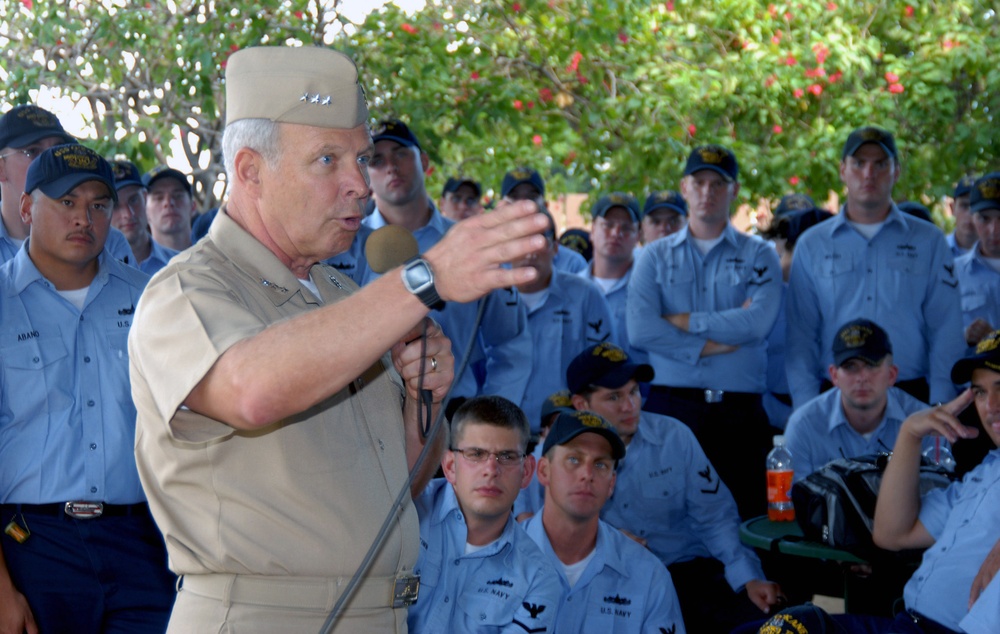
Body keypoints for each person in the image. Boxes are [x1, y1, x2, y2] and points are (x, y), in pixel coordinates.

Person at [127, 46, 550, 632]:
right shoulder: (187, 291)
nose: (360, 184)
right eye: (327, 160)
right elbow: (251, 389)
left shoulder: (343, 299)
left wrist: (423, 402)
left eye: (361, 158)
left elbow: (394, 483)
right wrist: (420, 281)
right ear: (249, 170)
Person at [0, 144, 174, 633]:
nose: (85, 218)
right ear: (28, 208)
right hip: (31, 543)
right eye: (67, 202)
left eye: (99, 204)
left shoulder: (150, 300)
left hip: (140, 540)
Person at [766, 329, 1000, 633]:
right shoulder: (984, 472)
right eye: (980, 392)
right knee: (777, 627)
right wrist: (909, 436)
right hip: (905, 622)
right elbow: (892, 534)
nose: (990, 405)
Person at [568, 342, 782, 633]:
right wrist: (602, 540)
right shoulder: (556, 455)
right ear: (581, 405)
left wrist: (748, 578)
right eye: (614, 397)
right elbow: (537, 531)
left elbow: (715, 516)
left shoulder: (674, 436)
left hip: (686, 573)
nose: (630, 405)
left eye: (633, 391)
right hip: (605, 582)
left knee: (770, 626)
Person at [628, 144, 782, 519]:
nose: (707, 192)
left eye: (718, 183)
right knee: (667, 521)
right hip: (671, 409)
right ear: (684, 187)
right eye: (699, 182)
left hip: (740, 414)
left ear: (735, 191)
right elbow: (640, 330)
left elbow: (758, 324)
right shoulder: (654, 255)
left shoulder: (759, 255)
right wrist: (710, 346)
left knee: (746, 519)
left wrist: (684, 321)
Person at [345, 119, 534, 406]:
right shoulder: (346, 245)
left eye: (400, 153)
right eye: (377, 160)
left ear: (423, 160)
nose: (391, 167)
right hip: (370, 419)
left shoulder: (469, 242)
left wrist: (486, 418)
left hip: (453, 416)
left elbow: (511, 343)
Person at [786, 126, 965, 408]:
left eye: (881, 164)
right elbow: (800, 335)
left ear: (896, 171)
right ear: (843, 170)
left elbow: (945, 327)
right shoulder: (812, 245)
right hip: (832, 399)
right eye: (859, 164)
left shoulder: (928, 241)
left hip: (911, 397)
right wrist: (807, 406)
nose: (869, 174)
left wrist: (941, 404)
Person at [523, 408, 687, 633]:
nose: (587, 474)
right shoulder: (492, 560)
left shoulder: (648, 576)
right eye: (573, 459)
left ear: (611, 484)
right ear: (543, 471)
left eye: (600, 464)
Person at [410, 395, 561, 633]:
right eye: (476, 454)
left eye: (507, 456)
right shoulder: (407, 513)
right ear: (450, 466)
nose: (491, 470)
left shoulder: (538, 579)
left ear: (527, 471)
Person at [784, 318, 936, 482]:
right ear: (834, 376)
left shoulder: (925, 425)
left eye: (872, 365)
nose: (862, 377)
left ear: (892, 375)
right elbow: (791, 503)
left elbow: (938, 497)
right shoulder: (803, 426)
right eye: (850, 367)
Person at [515, 206, 615, 430]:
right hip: (499, 434)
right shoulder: (488, 298)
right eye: (520, 241)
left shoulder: (585, 295)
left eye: (539, 241)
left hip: (566, 433)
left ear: (555, 247)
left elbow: (606, 368)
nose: (530, 252)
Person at [0, 105, 135, 265]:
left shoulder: (107, 240)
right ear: (1, 168)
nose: (50, 164)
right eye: (33, 151)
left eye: (57, 150)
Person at [761, 207, 834, 430]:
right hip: (769, 419)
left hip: (827, 413)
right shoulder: (762, 293)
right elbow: (746, 366)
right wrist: (789, 418)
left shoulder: (829, 291)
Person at [578, 192, 647, 362]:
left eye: (626, 227)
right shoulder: (572, 290)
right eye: (608, 225)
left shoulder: (653, 289)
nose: (616, 233)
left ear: (638, 235)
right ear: (592, 230)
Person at [502, 166, 588, 274]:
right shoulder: (487, 262)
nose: (523, 204)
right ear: (501, 207)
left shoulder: (572, 265)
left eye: (531, 196)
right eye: (515, 197)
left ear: (546, 206)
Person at [109, 159, 179, 275]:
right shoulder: (89, 275)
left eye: (133, 200)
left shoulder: (180, 265)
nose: (128, 214)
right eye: (115, 206)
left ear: (145, 197)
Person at [956, 172, 1000, 348]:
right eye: (984, 218)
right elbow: (935, 338)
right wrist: (964, 335)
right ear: (973, 218)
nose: (993, 229)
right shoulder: (952, 274)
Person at [143, 164, 195, 251]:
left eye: (177, 196)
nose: (169, 202)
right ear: (144, 211)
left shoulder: (214, 254)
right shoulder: (133, 263)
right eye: (159, 198)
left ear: (193, 206)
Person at [948, 174, 978, 257]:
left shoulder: (994, 255)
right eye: (964, 206)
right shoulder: (937, 250)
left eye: (976, 207)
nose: (970, 214)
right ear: (952, 208)